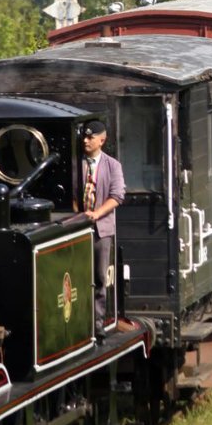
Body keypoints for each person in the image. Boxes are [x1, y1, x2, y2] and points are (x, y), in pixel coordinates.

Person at [79, 120, 125, 336]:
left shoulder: (113, 165)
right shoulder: (76, 164)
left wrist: (97, 214)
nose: (86, 140)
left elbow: (117, 196)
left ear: (102, 140)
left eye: (90, 137)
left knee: (99, 276)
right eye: (85, 137)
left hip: (101, 229)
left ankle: (97, 322)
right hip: (77, 227)